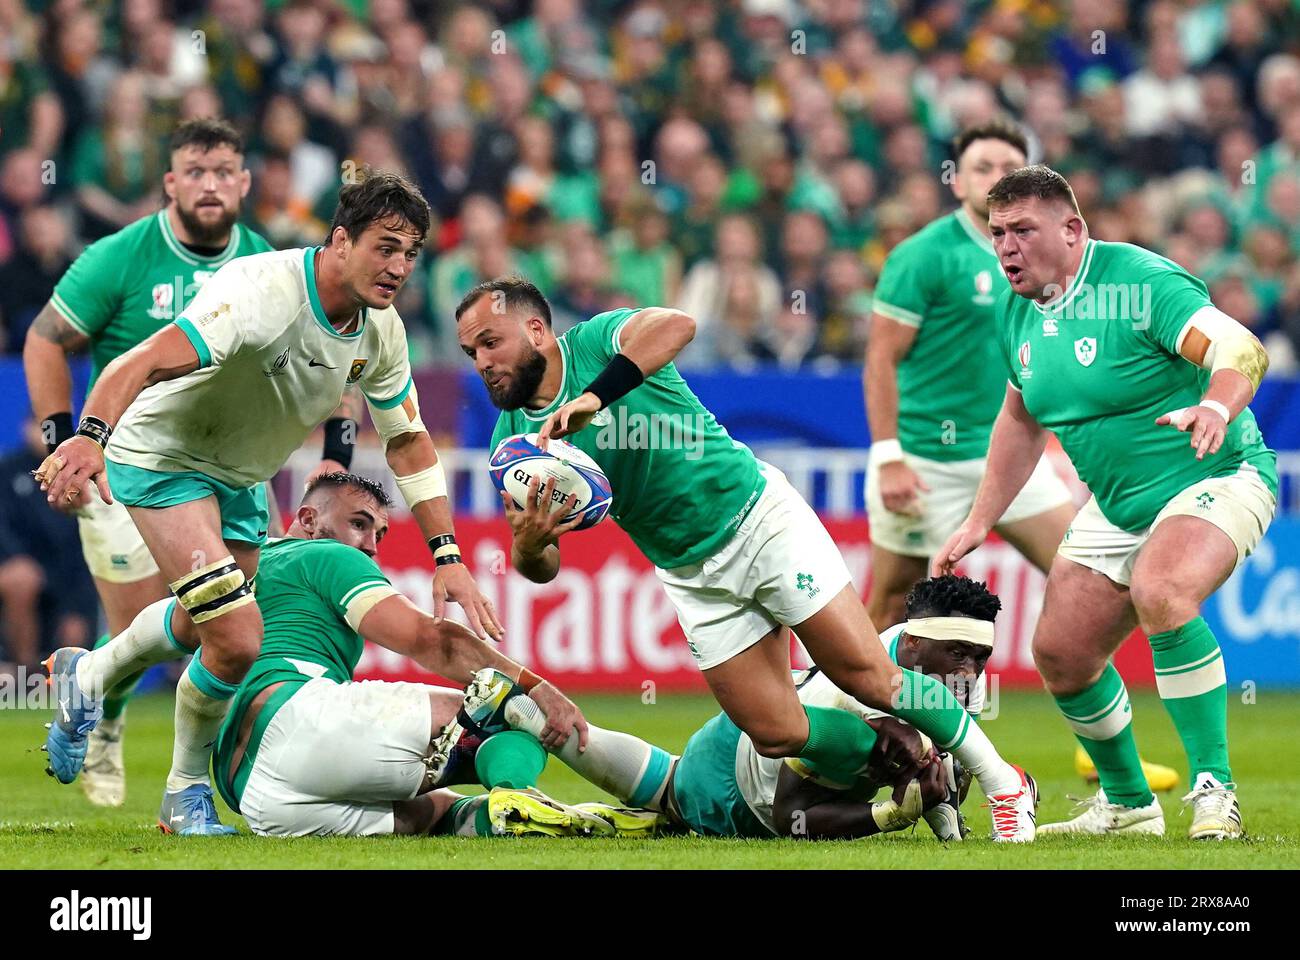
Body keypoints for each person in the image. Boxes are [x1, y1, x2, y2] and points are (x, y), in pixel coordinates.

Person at [456, 276, 1038, 842]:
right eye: (469, 351)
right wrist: (530, 544)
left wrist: (593, 397)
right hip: (689, 572)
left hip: (758, 519)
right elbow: (541, 566)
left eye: (489, 342)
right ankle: (914, 769)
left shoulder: (597, 341)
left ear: (535, 329)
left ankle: (1002, 783)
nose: (481, 361)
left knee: (866, 676)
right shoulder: (512, 447)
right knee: (776, 732)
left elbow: (677, 325)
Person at [36, 170, 508, 835]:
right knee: (236, 637)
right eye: (385, 247)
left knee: (208, 621)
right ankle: (183, 794)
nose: (399, 266)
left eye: (410, 253)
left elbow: (407, 442)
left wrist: (448, 554)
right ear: (341, 241)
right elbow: (137, 361)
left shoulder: (382, 332)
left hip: (242, 478)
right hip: (164, 458)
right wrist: (88, 438)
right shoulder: (262, 291)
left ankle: (89, 676)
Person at [934, 165, 1277, 840]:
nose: (1006, 246)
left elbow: (1242, 346)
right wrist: (980, 517)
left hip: (1219, 473)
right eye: (997, 232)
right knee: (1060, 654)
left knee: (1164, 589)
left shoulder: (1141, 283)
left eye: (1023, 230)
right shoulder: (1017, 313)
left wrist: (1213, 404)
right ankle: (1127, 805)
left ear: (1072, 230)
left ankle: (1214, 789)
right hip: (1121, 507)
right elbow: (1021, 419)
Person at [23, 118, 275, 808]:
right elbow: (46, 341)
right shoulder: (123, 256)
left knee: (214, 618)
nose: (210, 184)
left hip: (226, 468)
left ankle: (100, 687)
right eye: (194, 170)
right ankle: (106, 717)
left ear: (245, 183)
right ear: (170, 183)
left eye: (224, 170)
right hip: (124, 467)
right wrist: (62, 444)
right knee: (144, 618)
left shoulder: (263, 263)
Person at [205, 471, 590, 837]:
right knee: (505, 713)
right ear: (307, 518)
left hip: (252, 796)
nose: (371, 545)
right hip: (292, 722)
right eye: (360, 524)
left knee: (435, 813)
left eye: (380, 533)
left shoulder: (236, 573)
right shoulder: (329, 555)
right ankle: (531, 794)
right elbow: (433, 641)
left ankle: (532, 817)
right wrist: (533, 686)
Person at [492, 575, 1010, 841]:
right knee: (678, 798)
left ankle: (525, 716)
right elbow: (793, 817)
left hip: (751, 739)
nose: (968, 673)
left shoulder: (952, 679)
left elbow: (954, 770)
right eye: (960, 655)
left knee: (664, 791)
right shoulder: (846, 694)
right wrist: (886, 816)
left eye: (980, 658)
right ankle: (526, 716)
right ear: (914, 646)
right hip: (735, 784)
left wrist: (947, 822)